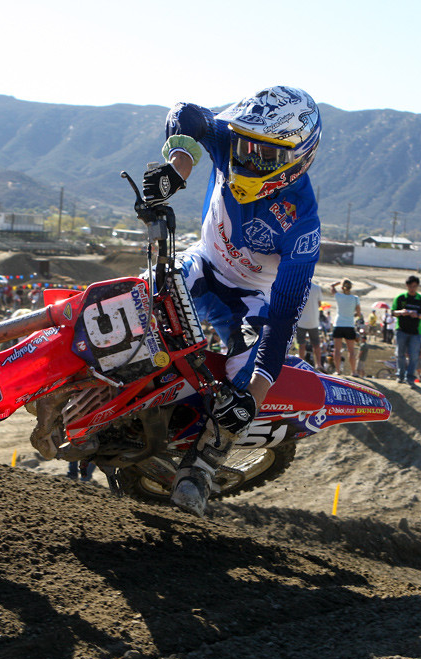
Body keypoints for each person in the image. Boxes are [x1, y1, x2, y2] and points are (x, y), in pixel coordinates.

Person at [138, 85, 322, 516]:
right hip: (202, 264)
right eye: (244, 145)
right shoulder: (228, 140)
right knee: (137, 297)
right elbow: (187, 113)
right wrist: (177, 168)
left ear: (298, 158)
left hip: (249, 298)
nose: (249, 159)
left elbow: (283, 318)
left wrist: (254, 393)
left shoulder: (304, 225)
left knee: (247, 378)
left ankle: (202, 465)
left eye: (266, 154)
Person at [391, 276, 421, 385]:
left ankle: (410, 377)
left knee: (414, 355)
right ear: (407, 286)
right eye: (411, 286)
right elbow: (393, 312)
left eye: (415, 286)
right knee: (400, 353)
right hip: (401, 330)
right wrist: (402, 312)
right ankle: (400, 375)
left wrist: (416, 315)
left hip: (415, 332)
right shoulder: (400, 298)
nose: (413, 288)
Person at [329, 279, 362, 375]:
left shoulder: (339, 296)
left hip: (338, 324)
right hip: (349, 325)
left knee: (337, 350)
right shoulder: (355, 298)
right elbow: (358, 313)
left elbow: (331, 286)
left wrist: (339, 282)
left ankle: (338, 371)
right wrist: (353, 315)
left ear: (342, 287)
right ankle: (353, 371)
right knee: (351, 350)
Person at [295, 280, 324, 366]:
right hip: (313, 320)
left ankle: (301, 363)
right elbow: (319, 304)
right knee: (316, 344)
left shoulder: (299, 287)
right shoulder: (317, 288)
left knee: (301, 344)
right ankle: (318, 364)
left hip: (301, 321)